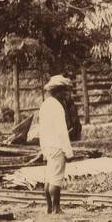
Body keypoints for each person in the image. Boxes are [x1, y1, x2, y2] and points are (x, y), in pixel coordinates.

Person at [29, 75, 76, 214]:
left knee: (49, 177)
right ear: (58, 91)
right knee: (56, 178)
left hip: (48, 146)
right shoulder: (57, 106)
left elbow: (42, 129)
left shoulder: (45, 105)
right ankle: (57, 208)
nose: (66, 95)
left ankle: (49, 207)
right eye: (64, 91)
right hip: (57, 145)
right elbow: (62, 132)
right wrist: (69, 152)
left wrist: (43, 148)